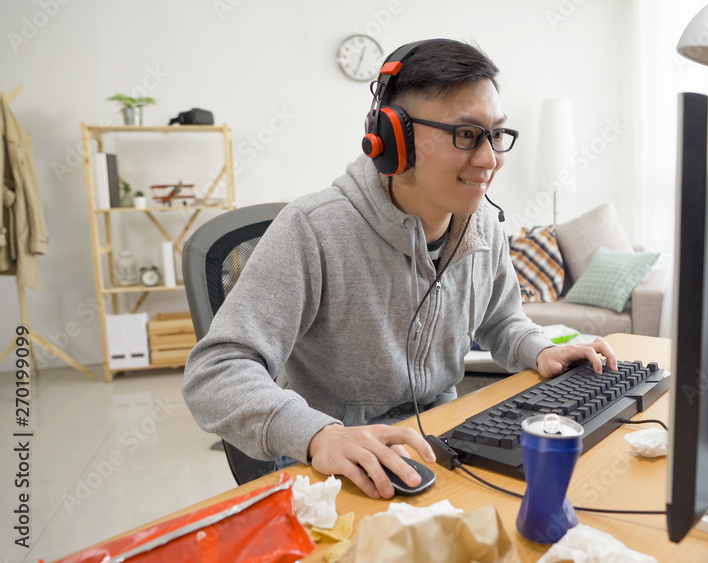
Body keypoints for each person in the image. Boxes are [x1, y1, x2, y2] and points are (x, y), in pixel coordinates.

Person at [182, 38, 617, 500]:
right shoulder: (313, 228)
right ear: (393, 139)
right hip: (338, 459)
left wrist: (538, 349)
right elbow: (216, 370)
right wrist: (319, 435)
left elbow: (501, 318)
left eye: (496, 135)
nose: (490, 160)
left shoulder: (482, 221)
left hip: (442, 437)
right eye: (466, 135)